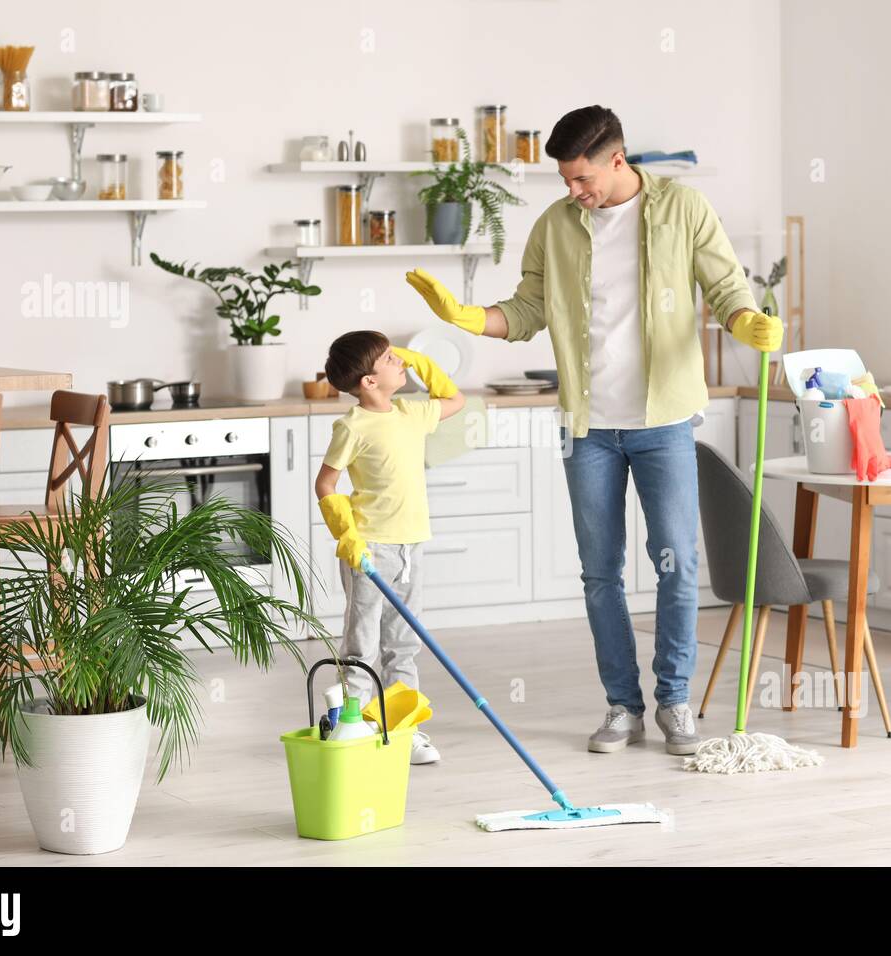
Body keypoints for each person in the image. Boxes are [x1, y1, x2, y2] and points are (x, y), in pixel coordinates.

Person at [404, 105, 781, 756]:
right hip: (588, 426)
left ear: (617, 157)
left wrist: (746, 320)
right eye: (565, 180)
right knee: (599, 573)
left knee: (678, 564)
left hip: (663, 421)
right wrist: (469, 317)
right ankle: (621, 707)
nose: (574, 191)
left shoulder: (684, 209)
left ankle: (675, 703)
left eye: (582, 178)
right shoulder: (556, 226)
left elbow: (725, 288)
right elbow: (526, 310)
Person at [314, 331, 466, 765]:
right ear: (368, 382)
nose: (400, 361)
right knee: (361, 646)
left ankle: (404, 729)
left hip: (411, 548)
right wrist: (347, 534)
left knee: (404, 645)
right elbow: (326, 483)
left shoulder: (409, 413)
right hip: (370, 549)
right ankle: (351, 726)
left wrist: (421, 361)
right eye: (389, 358)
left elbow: (455, 400)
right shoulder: (352, 426)